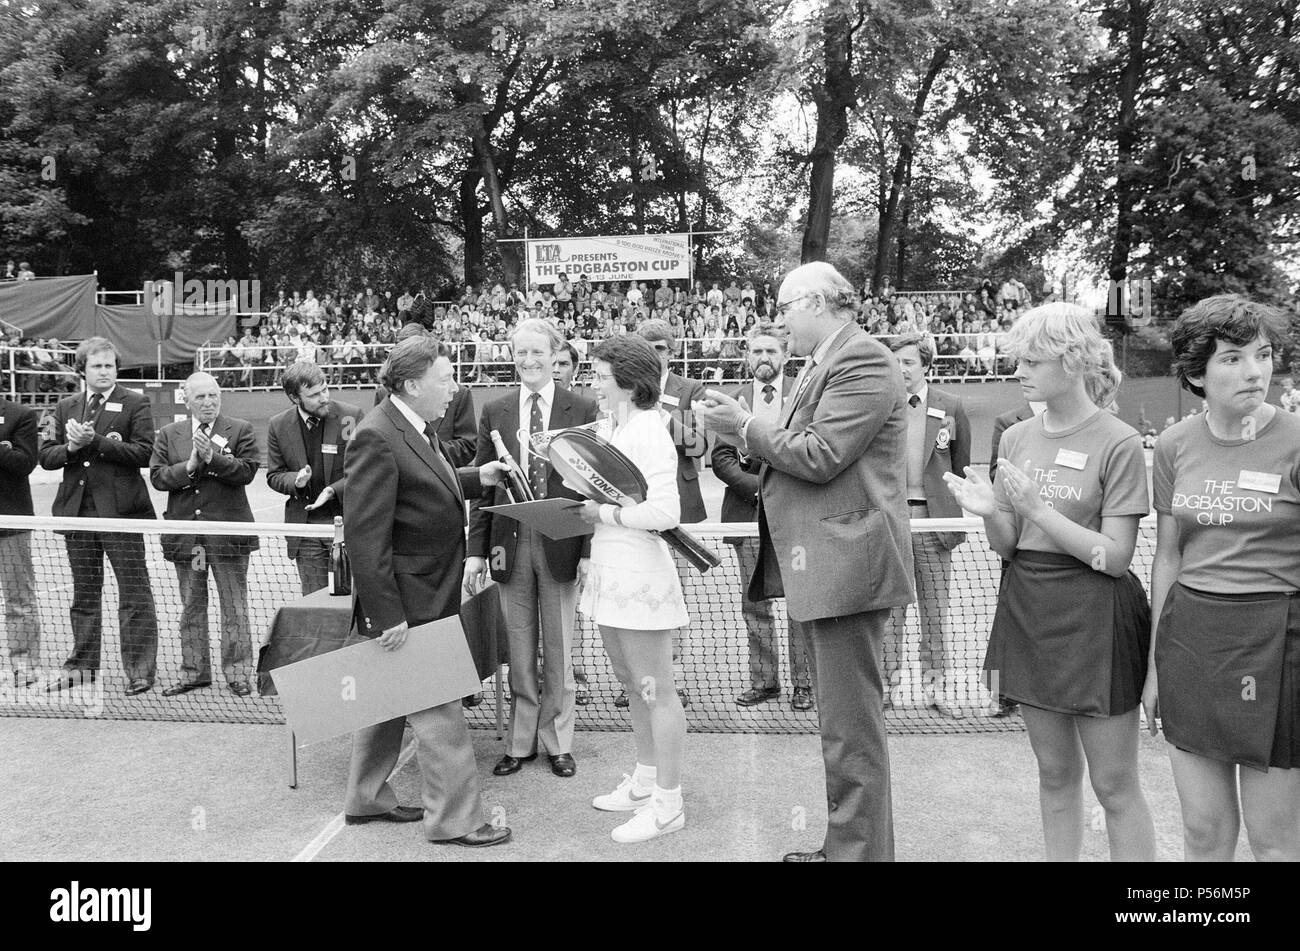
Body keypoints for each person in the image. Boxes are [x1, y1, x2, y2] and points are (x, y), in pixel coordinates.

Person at [694, 261, 915, 862]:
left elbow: (820, 455)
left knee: (851, 731)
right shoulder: (830, 360)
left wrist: (742, 425)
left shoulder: (862, 359)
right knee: (841, 727)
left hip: (848, 564)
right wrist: (746, 430)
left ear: (817, 303)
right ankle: (848, 846)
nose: (780, 318)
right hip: (830, 562)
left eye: (787, 306)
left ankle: (859, 855)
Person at [944, 303, 1156, 861]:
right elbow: (1008, 546)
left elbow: (1113, 558)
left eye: (1032, 360)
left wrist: (1037, 510)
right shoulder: (1014, 438)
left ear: (1073, 360)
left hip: (1096, 615)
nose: (1019, 371)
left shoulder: (1120, 442)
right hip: (1029, 606)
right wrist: (992, 510)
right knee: (1055, 772)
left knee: (1113, 785)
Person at [1144, 294, 1300, 861]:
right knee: (1204, 833)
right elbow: (1167, 556)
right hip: (1192, 640)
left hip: (1279, 643)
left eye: (1262, 354)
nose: (1255, 371)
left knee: (1275, 840)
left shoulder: (1297, 439)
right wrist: (1156, 667)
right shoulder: (1173, 445)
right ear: (1195, 372)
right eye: (1232, 358)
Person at [342, 336, 512, 848]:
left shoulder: (411, 426)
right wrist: (386, 614)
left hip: (424, 593)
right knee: (441, 716)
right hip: (410, 603)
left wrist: (474, 477)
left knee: (385, 702)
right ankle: (457, 820)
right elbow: (364, 537)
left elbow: (422, 485)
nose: (454, 388)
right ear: (413, 385)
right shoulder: (377, 436)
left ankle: (366, 797)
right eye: (445, 378)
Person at [465, 319, 598, 779]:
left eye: (537, 352)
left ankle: (558, 741)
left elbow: (591, 487)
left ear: (555, 352)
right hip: (511, 544)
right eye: (520, 353)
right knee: (519, 649)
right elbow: (484, 489)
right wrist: (475, 552)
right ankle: (521, 743)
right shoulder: (496, 410)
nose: (528, 361)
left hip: (562, 542)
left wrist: (587, 550)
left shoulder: (582, 407)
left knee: (559, 648)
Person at [578, 335, 690, 843]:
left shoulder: (649, 429)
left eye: (601, 376)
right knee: (631, 686)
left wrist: (602, 512)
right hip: (609, 571)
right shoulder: (615, 428)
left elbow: (666, 512)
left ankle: (669, 803)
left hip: (641, 577)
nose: (593, 384)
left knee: (655, 691)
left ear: (628, 381)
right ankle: (645, 780)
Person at [39, 338, 159, 696]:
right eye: (97, 366)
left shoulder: (136, 402)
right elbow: (46, 456)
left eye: (109, 365)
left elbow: (144, 452)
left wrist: (97, 441)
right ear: (83, 370)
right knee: (84, 596)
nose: (104, 371)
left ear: (116, 369)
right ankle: (82, 667)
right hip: (78, 514)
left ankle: (139, 670)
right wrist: (72, 447)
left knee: (134, 595)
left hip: (121, 515)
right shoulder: (65, 406)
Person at [710, 323, 812, 711]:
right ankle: (764, 682)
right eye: (757, 352)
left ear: (784, 356)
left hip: (794, 517)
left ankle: (803, 684)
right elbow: (720, 459)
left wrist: (779, 489)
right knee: (755, 604)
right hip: (748, 517)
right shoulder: (732, 400)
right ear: (747, 356)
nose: (764, 358)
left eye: (771, 351)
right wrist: (757, 487)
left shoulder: (801, 397)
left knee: (799, 603)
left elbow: (804, 451)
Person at [149, 372, 260, 698]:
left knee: (234, 608)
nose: (209, 402)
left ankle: (238, 673)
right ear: (187, 400)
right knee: (191, 607)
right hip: (188, 538)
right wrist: (191, 465)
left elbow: (247, 471)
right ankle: (193, 672)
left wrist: (214, 459)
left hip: (228, 537)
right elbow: (158, 477)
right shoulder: (170, 434)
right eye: (201, 397)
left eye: (213, 395)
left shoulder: (240, 429)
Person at [882, 333, 971, 717]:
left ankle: (936, 687)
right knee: (890, 613)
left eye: (908, 362)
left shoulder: (951, 406)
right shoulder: (881, 404)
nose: (901, 369)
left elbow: (961, 466)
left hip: (933, 523)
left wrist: (951, 514)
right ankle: (887, 687)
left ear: (925, 365)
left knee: (935, 612)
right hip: (891, 522)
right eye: (895, 361)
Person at [266, 363, 361, 595]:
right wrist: (296, 481)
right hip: (306, 530)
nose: (323, 398)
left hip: (346, 525)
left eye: (325, 390)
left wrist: (332, 490)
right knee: (314, 603)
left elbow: (363, 469)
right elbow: (274, 475)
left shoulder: (351, 416)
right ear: (294, 397)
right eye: (314, 395)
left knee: (352, 603)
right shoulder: (278, 425)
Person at [985, 398, 1044, 718]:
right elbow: (999, 473)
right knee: (1008, 615)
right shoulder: (1008, 422)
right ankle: (1001, 693)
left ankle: (1038, 690)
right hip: (1018, 537)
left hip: (1059, 540)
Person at [372, 324, 477, 466]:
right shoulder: (383, 397)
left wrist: (428, 451)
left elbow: (468, 445)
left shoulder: (459, 394)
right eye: (404, 351)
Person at [0, 396, 41, 687]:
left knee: (18, 600)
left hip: (11, 522)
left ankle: (24, 665)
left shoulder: (20, 415)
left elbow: (25, 463)